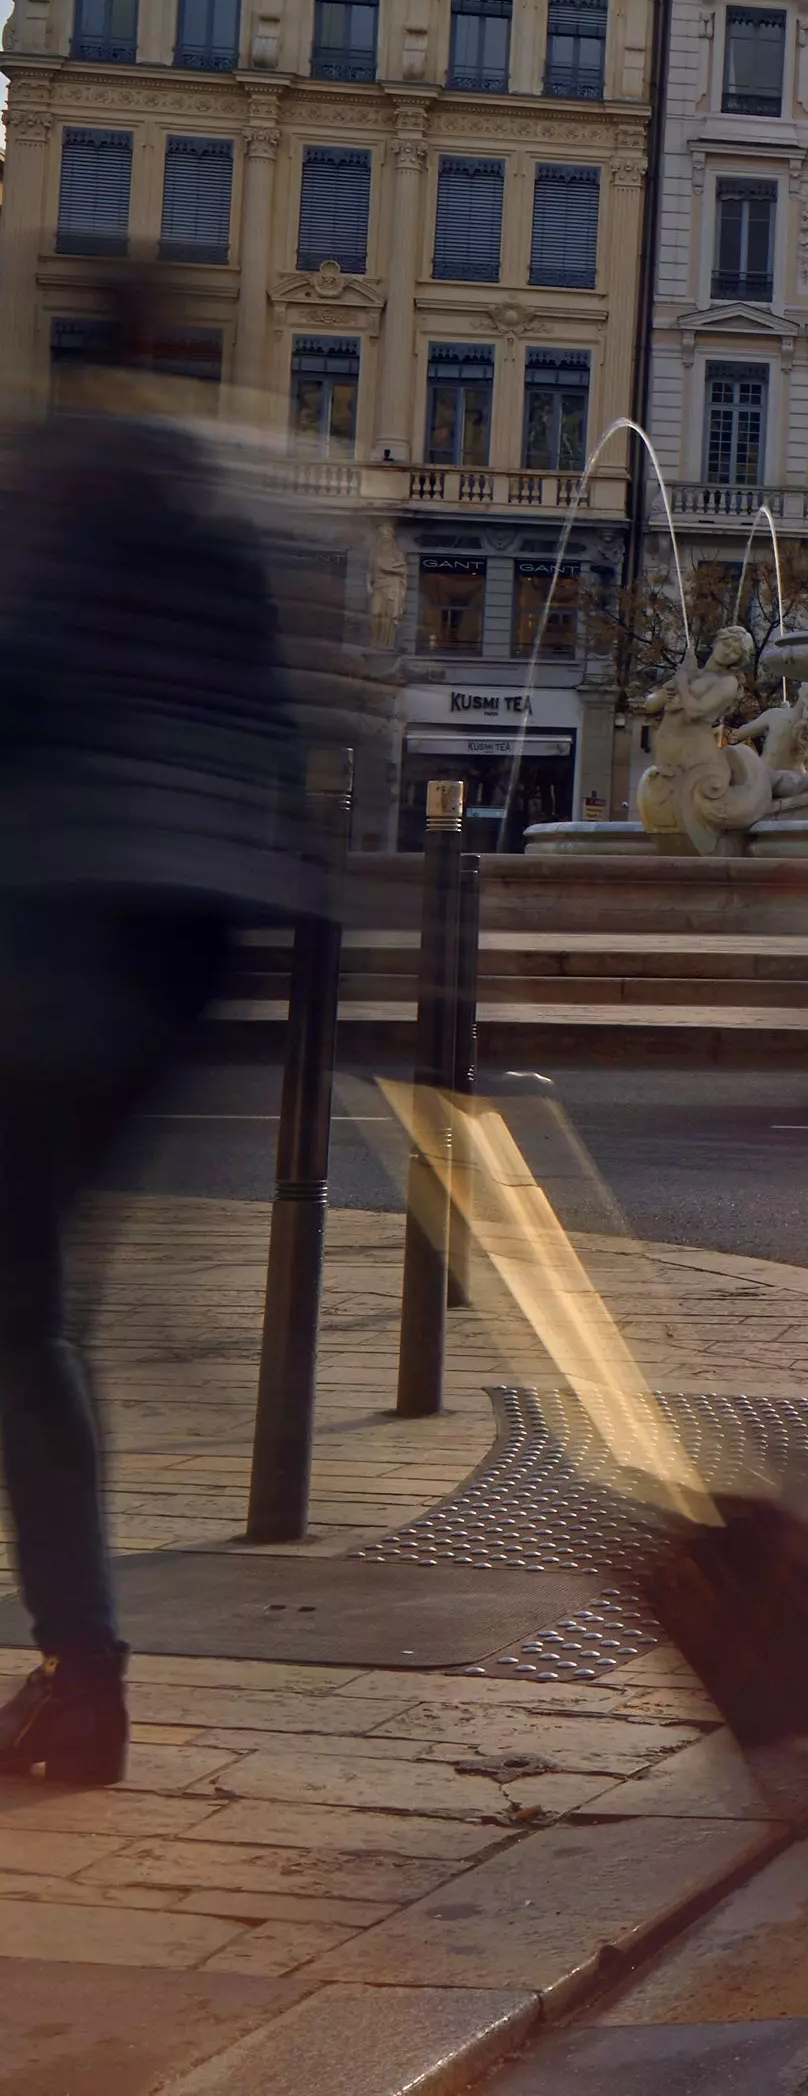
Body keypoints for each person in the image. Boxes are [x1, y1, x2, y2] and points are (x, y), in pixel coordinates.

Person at [0, 281, 307, 1788]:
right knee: (45, 1306)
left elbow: (16, 691)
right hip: (188, 948)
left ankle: (85, 1675)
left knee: (23, 1314)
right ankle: (82, 1671)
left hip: (55, 933)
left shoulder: (50, 494)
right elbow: (293, 741)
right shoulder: (226, 518)